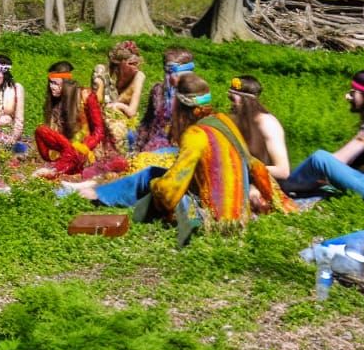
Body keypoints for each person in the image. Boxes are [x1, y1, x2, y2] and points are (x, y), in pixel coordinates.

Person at [68, 73, 292, 236]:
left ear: (181, 109)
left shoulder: (196, 134)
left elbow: (171, 191)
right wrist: (280, 202)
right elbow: (255, 165)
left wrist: (156, 186)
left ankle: (96, 195)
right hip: (240, 214)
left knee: (153, 179)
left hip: (212, 220)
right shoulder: (224, 122)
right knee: (154, 172)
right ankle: (100, 193)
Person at [282, 70, 364, 200]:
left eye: (353, 93)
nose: (347, 97)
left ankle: (281, 188)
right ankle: (294, 185)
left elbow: (341, 158)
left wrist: (323, 171)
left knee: (319, 158)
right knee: (322, 169)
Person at [34, 61, 108, 177]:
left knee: (73, 152)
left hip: (83, 149)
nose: (51, 87)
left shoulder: (86, 96)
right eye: (50, 83)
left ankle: (54, 171)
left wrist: (84, 146)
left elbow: (99, 131)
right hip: (64, 148)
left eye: (55, 83)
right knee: (40, 130)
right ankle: (54, 165)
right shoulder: (55, 101)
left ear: (66, 83)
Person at [227, 76, 290, 180]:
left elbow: (282, 171)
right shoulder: (235, 119)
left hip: (267, 181)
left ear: (245, 100)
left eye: (233, 99)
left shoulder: (267, 124)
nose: (231, 104)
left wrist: (242, 168)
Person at [133, 48, 195, 153]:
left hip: (182, 145)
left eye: (172, 71)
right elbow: (148, 121)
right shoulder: (158, 90)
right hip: (155, 141)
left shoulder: (194, 92)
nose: (169, 76)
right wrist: (138, 145)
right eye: (167, 71)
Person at [92, 40, 146, 150]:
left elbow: (132, 111)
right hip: (102, 116)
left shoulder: (139, 76)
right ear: (120, 63)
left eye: (138, 63)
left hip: (123, 120)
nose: (135, 67)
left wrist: (118, 106)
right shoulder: (104, 72)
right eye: (131, 64)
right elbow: (96, 101)